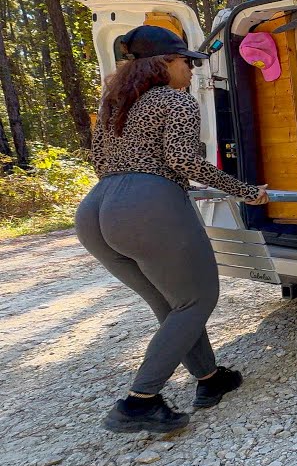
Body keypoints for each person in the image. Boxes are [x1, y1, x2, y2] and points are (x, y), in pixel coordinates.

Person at [75, 25, 269, 434]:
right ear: (165, 63)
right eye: (187, 62)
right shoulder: (174, 101)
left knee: (171, 304)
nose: (191, 71)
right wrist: (247, 192)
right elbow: (185, 162)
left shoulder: (114, 103)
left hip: (95, 209)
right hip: (147, 205)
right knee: (197, 299)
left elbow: (97, 161)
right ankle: (138, 402)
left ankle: (209, 378)